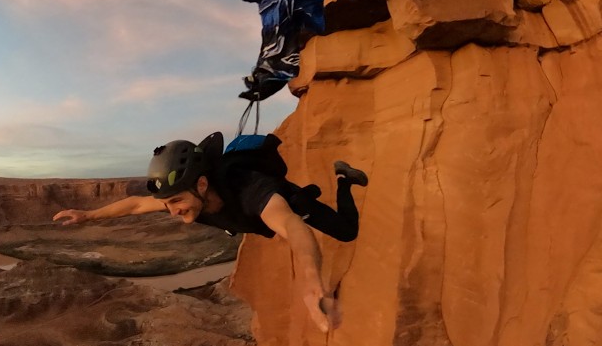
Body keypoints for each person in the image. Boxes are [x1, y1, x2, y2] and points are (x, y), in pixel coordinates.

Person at [52, 133, 368, 332]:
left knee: (346, 231)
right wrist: (87, 215)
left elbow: (293, 228)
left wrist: (312, 283)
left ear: (202, 185)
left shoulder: (250, 192)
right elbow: (135, 205)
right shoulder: (185, 198)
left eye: (176, 201)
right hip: (256, 213)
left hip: (284, 203)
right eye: (167, 203)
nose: (173, 211)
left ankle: (343, 178)